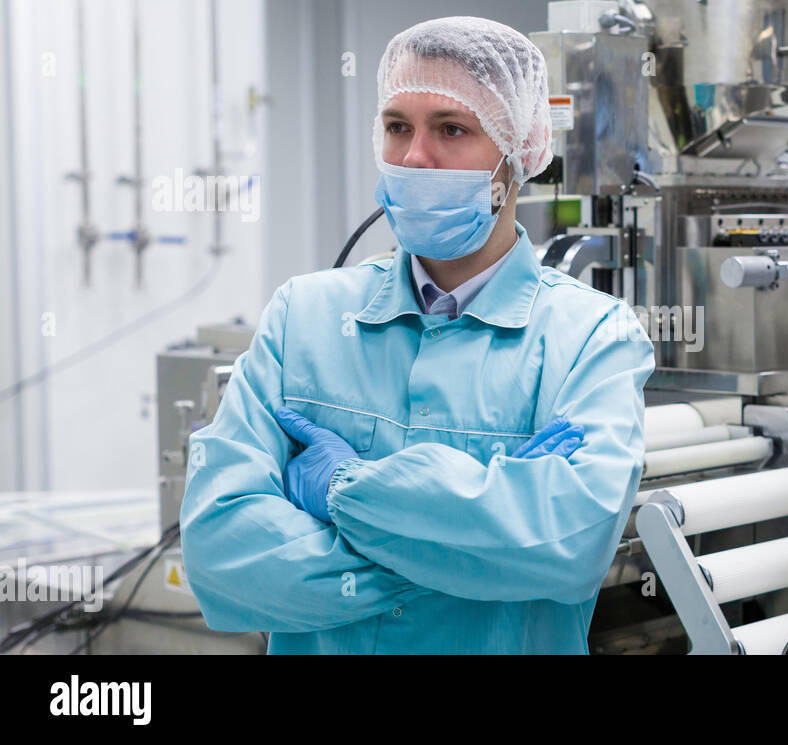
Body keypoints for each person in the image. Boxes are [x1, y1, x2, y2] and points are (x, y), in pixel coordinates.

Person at [179, 16, 655, 653]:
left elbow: (572, 548)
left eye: (452, 129)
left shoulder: (593, 337)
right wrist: (475, 546)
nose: (413, 158)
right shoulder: (304, 316)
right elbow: (221, 555)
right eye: (397, 126)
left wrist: (345, 491)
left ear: (521, 153)